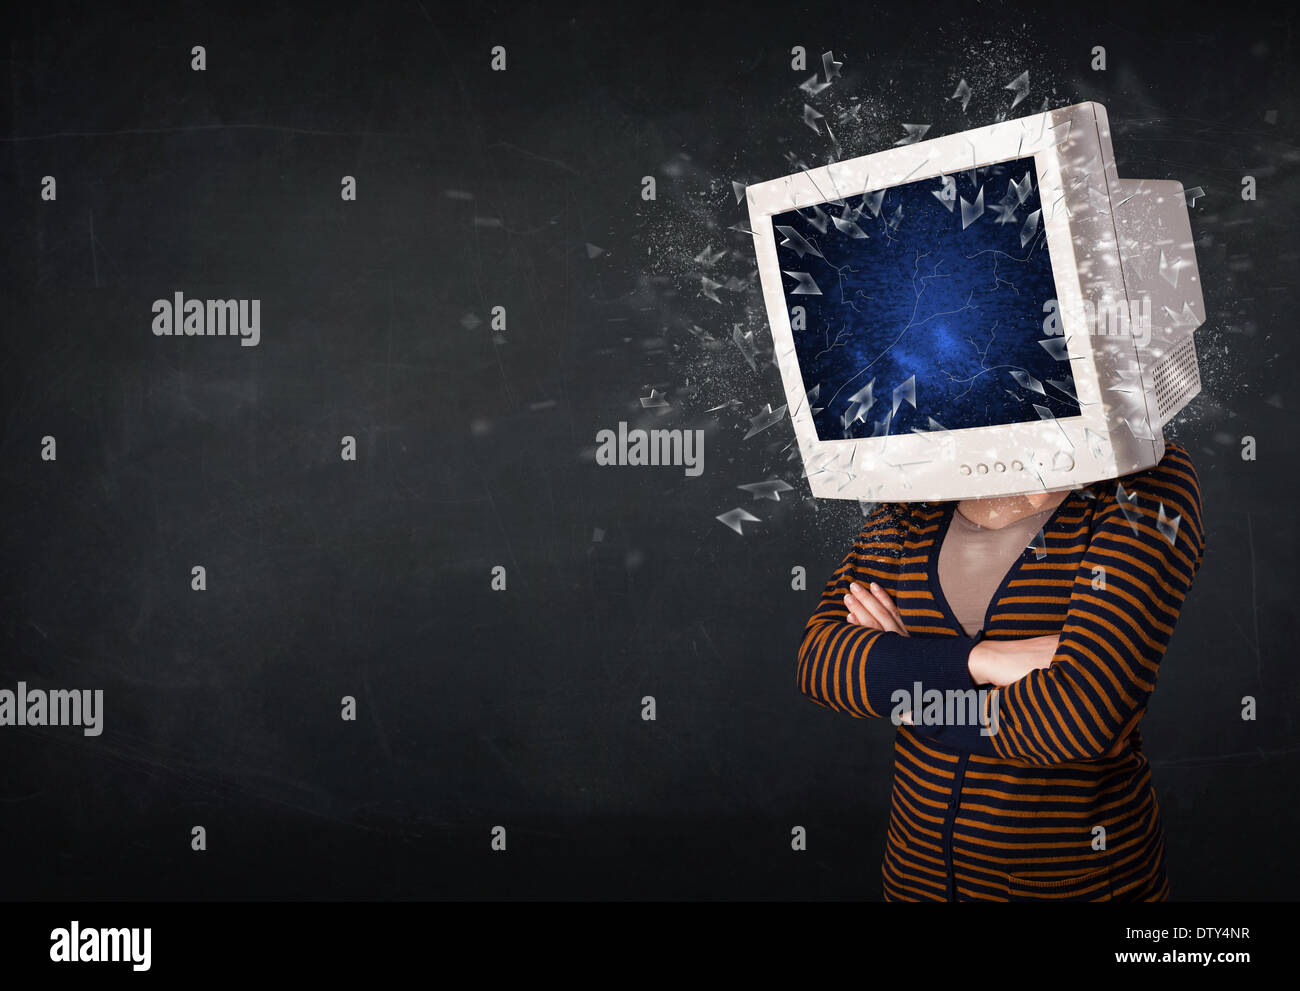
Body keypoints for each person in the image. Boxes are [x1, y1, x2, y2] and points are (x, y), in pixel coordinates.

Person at [797, 441, 1205, 901]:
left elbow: (1082, 717)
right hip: (914, 878)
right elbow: (819, 661)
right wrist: (982, 659)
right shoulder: (916, 485)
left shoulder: (1145, 474)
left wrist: (908, 692)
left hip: (1072, 885)